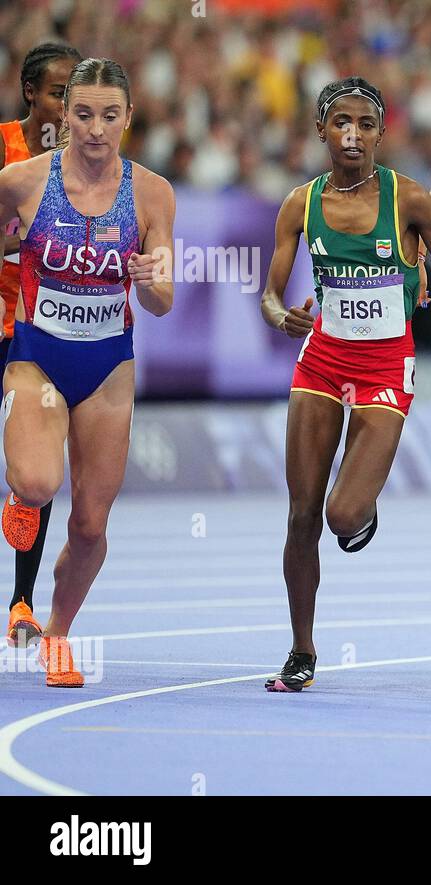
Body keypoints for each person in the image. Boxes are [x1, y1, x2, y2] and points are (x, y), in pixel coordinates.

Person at [259, 77, 431, 692]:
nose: (352, 135)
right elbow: (271, 296)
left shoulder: (408, 200)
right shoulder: (299, 204)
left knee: (341, 513)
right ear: (321, 130)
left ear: (381, 133)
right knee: (302, 513)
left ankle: (361, 510)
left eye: (365, 124)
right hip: (322, 360)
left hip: (386, 367)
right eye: (340, 123)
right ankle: (301, 649)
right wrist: (281, 316)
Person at [0, 58, 175, 687]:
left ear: (129, 117)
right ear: (63, 115)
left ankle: (58, 635)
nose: (95, 129)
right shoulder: (21, 181)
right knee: (40, 483)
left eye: (109, 115)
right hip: (38, 356)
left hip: (108, 366)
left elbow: (162, 301)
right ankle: (21, 493)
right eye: (82, 114)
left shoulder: (152, 192)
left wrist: (153, 282)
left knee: (92, 524)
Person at [0, 42, 82, 649]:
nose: (68, 109)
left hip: (43, 333)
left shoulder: (91, 163)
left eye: (77, 98)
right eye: (58, 94)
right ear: (31, 93)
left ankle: (22, 603)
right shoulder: (4, 147)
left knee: (39, 471)